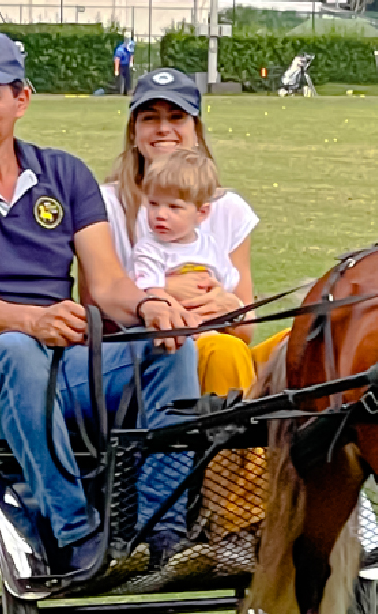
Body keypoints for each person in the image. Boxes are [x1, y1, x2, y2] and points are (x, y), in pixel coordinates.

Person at [0, 33, 202, 574]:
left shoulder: (65, 175)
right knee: (16, 351)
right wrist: (34, 321)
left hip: (57, 367)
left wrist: (150, 303)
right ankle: (76, 536)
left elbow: (105, 287)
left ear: (21, 100)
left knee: (171, 349)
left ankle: (163, 533)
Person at [101, 68, 277, 396]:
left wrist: (229, 307)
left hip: (220, 342)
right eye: (150, 118)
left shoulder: (229, 208)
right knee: (225, 353)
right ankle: (239, 447)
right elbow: (98, 310)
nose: (164, 128)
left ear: (195, 129)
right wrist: (164, 292)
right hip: (152, 354)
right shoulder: (107, 204)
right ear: (134, 131)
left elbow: (246, 324)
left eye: (177, 117)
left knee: (304, 343)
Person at [128, 149, 256, 344]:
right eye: (153, 204)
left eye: (174, 207)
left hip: (213, 328)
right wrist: (187, 320)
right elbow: (152, 293)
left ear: (202, 213)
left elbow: (229, 286)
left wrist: (219, 295)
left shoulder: (210, 245)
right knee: (222, 349)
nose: (160, 214)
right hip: (174, 333)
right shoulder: (148, 250)